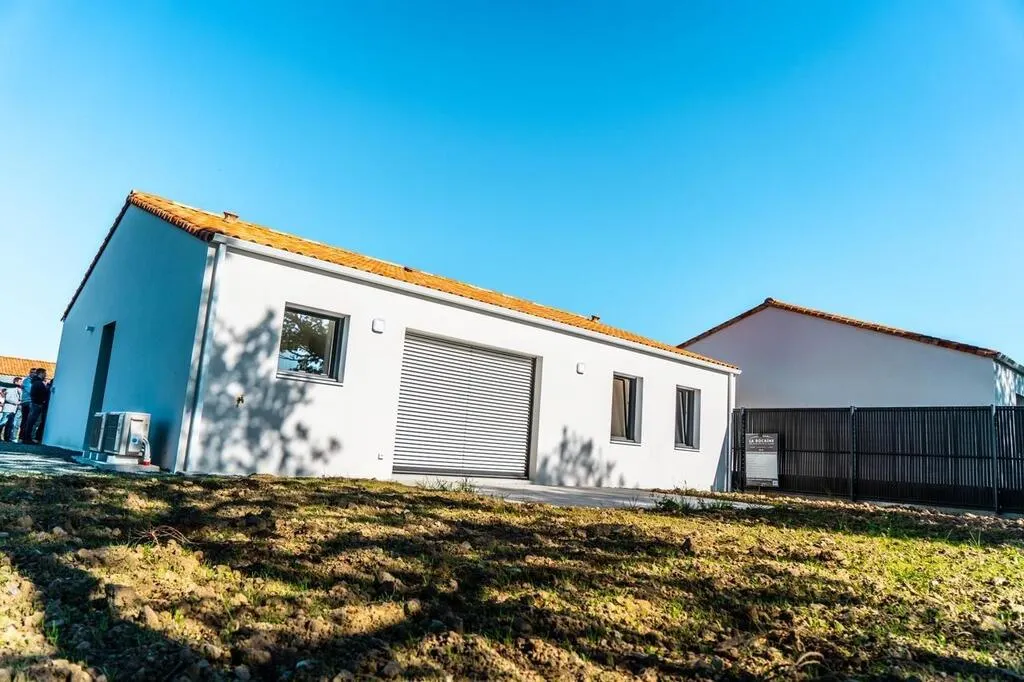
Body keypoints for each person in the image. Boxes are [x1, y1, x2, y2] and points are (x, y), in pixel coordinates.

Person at [23, 369, 49, 445]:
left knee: (31, 422)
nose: (45, 375)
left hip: (35, 404)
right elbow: (41, 393)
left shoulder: (35, 382)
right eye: (44, 373)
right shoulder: (38, 383)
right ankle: (27, 439)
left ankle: (27, 438)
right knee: (32, 422)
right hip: (37, 404)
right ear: (41, 373)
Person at [0, 377, 21, 442]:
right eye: (20, 382)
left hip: (13, 409)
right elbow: (8, 398)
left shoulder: (18, 389)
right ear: (16, 382)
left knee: (9, 424)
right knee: (3, 422)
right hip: (8, 408)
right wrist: (17, 402)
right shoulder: (10, 388)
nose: (21, 383)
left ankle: (7, 438)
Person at [18, 369, 36, 443]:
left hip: (29, 402)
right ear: (29, 373)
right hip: (27, 402)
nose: (33, 374)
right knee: (26, 420)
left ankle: (24, 437)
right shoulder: (27, 380)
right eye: (32, 372)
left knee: (27, 420)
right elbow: (30, 391)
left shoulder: (33, 381)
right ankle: (22, 437)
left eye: (34, 373)